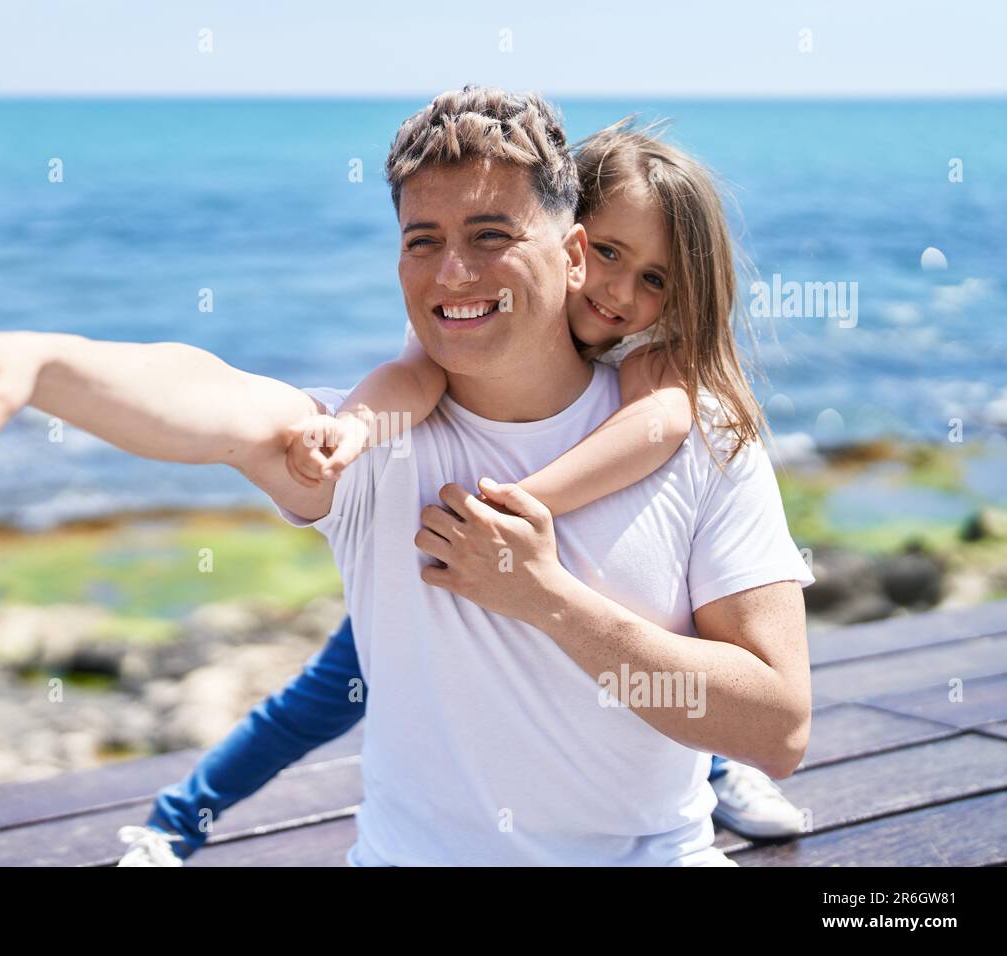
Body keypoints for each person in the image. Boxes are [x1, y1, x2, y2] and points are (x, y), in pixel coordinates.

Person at [0, 85, 814, 866]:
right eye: (422, 241)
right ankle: (178, 820)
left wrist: (545, 596)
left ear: (568, 249)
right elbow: (210, 394)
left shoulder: (700, 434)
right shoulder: (369, 434)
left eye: (488, 235)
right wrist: (43, 361)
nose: (452, 275)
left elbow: (777, 726)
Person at [121, 116, 807, 866]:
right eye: (608, 252)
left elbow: (660, 426)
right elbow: (410, 375)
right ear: (567, 241)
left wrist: (513, 507)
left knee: (651, 651)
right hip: (439, 568)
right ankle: (177, 820)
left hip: (481, 544)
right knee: (320, 698)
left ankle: (720, 766)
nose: (617, 290)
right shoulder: (473, 322)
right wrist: (354, 430)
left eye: (654, 279)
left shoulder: (653, 366)